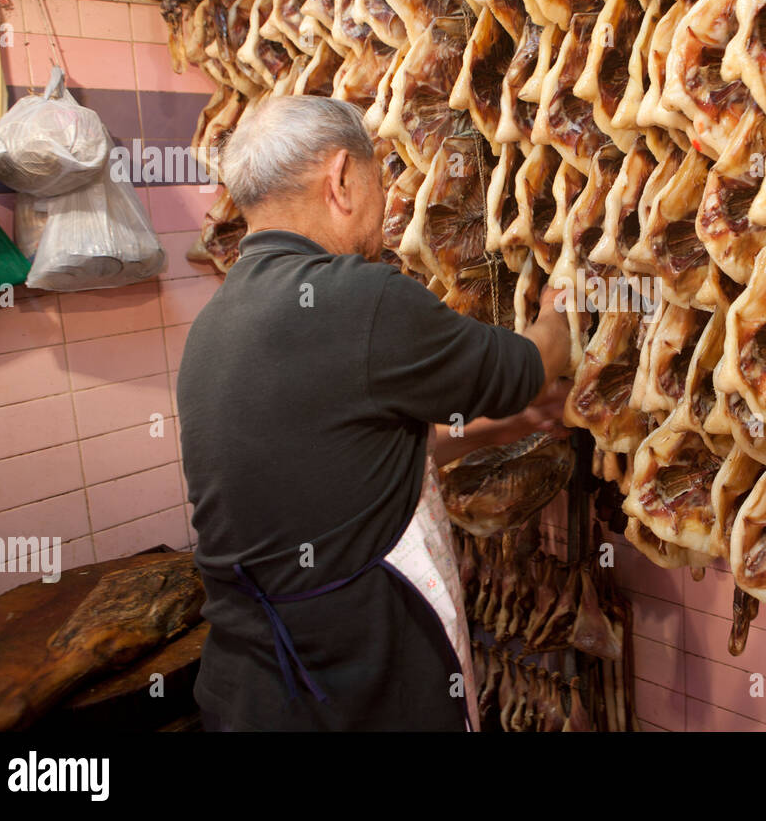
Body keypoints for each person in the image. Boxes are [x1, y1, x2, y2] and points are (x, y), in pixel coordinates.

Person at [176, 96, 571, 730]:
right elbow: (519, 370)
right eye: (382, 178)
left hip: (247, 687)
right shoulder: (359, 298)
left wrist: (519, 426)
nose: (388, 208)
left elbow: (362, 457)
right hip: (358, 682)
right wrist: (561, 314)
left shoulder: (216, 324)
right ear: (341, 179)